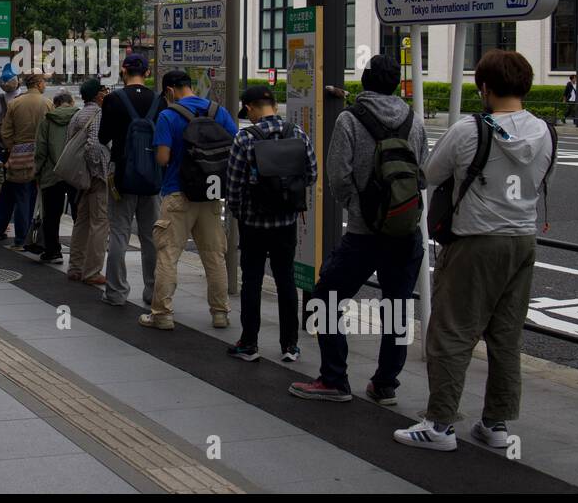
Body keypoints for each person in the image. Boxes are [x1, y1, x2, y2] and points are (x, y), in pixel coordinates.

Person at [394, 50, 555, 452]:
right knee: (506, 335)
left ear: (484, 88)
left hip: (476, 241)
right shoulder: (547, 132)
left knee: (451, 332)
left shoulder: (470, 130)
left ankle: (440, 426)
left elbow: (429, 176)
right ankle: (495, 424)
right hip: (523, 240)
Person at [289, 54, 426, 403]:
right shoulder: (414, 121)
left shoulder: (350, 119)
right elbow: (421, 172)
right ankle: (384, 385)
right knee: (396, 306)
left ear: (365, 81)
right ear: (396, 84)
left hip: (364, 234)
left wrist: (360, 207)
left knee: (326, 299)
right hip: (405, 230)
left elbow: (337, 174)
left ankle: (334, 379)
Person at [226, 85, 316, 362]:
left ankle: (249, 343)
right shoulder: (297, 134)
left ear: (251, 107)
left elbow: (234, 186)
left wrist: (241, 213)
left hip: (253, 223)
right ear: (274, 106)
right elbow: (310, 175)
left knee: (251, 281)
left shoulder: (245, 139)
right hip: (287, 222)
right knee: (285, 280)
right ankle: (290, 345)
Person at [141, 71, 237, 330]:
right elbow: (234, 147)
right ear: (190, 87)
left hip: (178, 193)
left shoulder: (168, 115)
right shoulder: (218, 112)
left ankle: (162, 315)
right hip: (211, 194)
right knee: (214, 255)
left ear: (170, 91)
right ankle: (220, 313)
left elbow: (162, 157)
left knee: (168, 255)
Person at [98, 53, 162, 307]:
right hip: (152, 176)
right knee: (151, 236)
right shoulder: (159, 100)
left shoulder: (113, 99)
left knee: (119, 234)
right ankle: (153, 290)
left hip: (122, 175)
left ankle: (116, 292)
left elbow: (103, 137)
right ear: (147, 73)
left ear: (124, 71)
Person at [0, 73, 51, 249]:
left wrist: (13, 148)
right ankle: (22, 237)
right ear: (39, 84)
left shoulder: (15, 103)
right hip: (38, 155)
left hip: (16, 155)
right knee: (28, 195)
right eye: (44, 82)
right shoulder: (47, 103)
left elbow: (6, 132)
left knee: (9, 193)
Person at [64, 78, 109, 284]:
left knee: (82, 221)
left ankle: (75, 266)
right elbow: (93, 146)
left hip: (79, 177)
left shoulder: (78, 114)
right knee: (100, 222)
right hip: (94, 176)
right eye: (105, 90)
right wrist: (97, 172)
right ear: (98, 95)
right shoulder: (98, 114)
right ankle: (92, 271)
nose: (107, 93)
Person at [35, 91, 79, 265]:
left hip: (51, 173)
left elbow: (41, 150)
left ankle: (53, 252)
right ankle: (79, 253)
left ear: (55, 104)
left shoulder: (47, 121)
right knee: (79, 215)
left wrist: (37, 171)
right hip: (75, 174)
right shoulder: (79, 118)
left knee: (51, 215)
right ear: (72, 102)